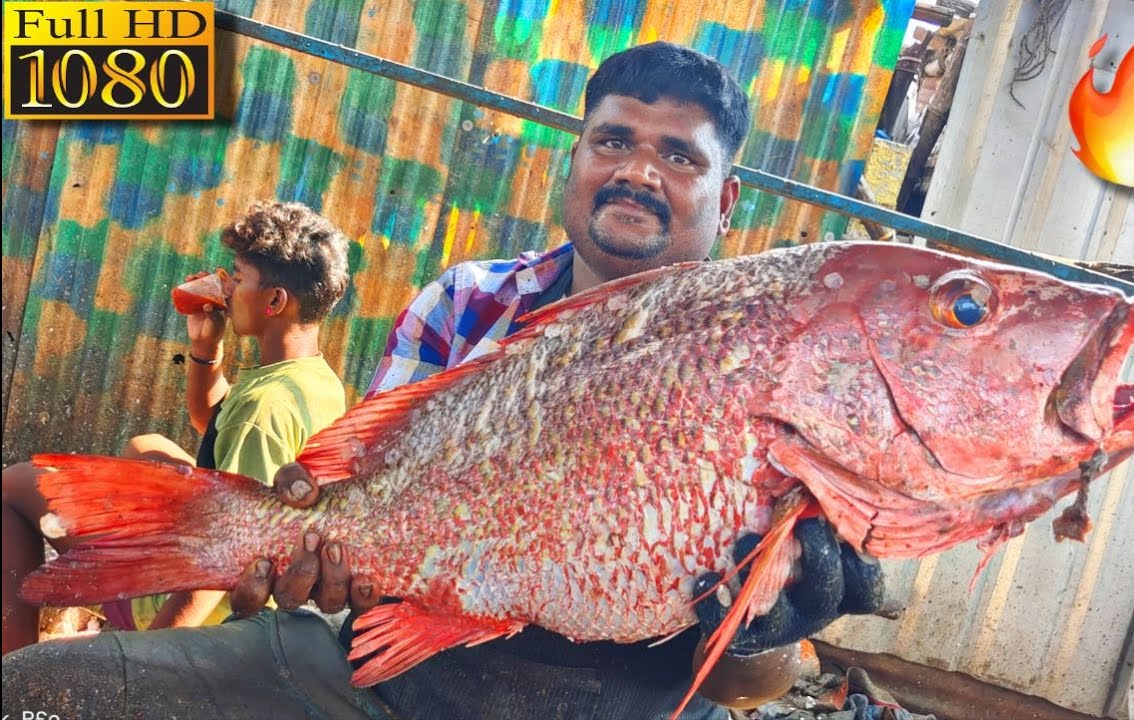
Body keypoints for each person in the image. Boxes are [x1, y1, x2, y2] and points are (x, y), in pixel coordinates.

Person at [2, 44, 887, 720]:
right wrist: (320, 557)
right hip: (391, 679)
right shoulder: (465, 303)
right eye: (612, 140)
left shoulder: (790, 374)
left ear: (727, 200)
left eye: (680, 156)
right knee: (43, 689)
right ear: (572, 162)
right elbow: (352, 510)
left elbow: (754, 683)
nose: (637, 171)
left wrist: (773, 621)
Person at [1, 200, 351, 653]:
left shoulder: (265, 409)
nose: (226, 289)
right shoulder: (312, 378)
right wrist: (206, 347)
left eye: (238, 278)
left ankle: (15, 673)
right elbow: (212, 422)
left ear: (275, 301)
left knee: (12, 488)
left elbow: (233, 559)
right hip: (214, 542)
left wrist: (153, 656)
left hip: (200, 605)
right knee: (147, 446)